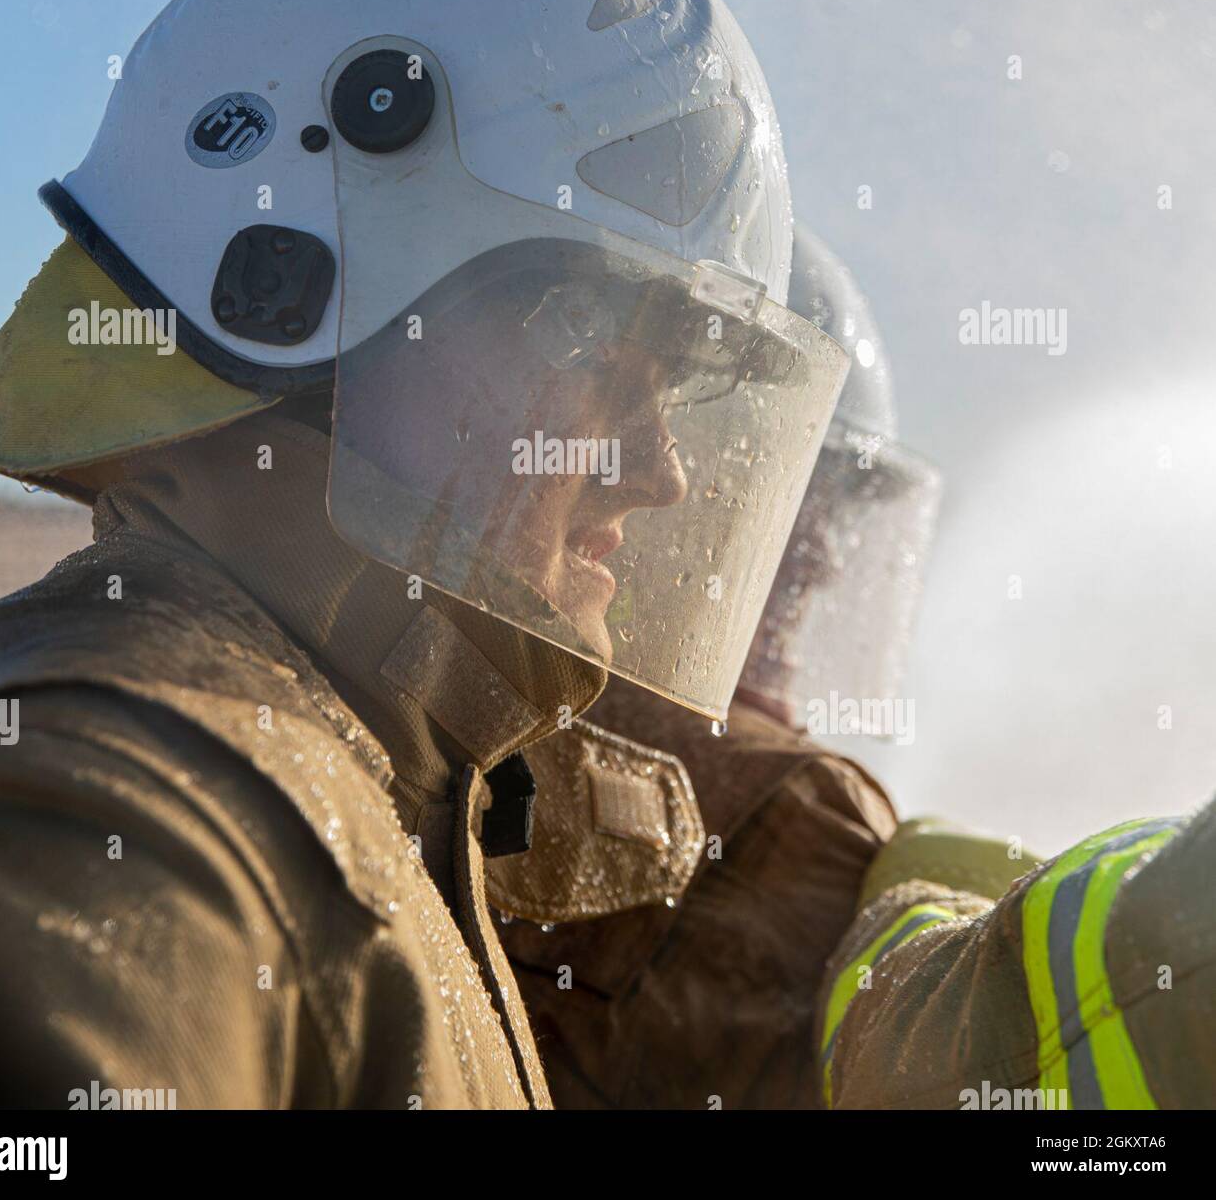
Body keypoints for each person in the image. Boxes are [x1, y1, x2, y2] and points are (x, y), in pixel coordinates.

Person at [0, 0, 850, 1108]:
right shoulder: (113, 787)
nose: (661, 468)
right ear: (278, 292)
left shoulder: (405, 756)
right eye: (592, 352)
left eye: (670, 392)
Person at [495, 228, 1216, 1111]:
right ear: (670, 475)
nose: (827, 565)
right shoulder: (799, 812)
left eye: (841, 516)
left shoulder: (441, 715)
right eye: (798, 503)